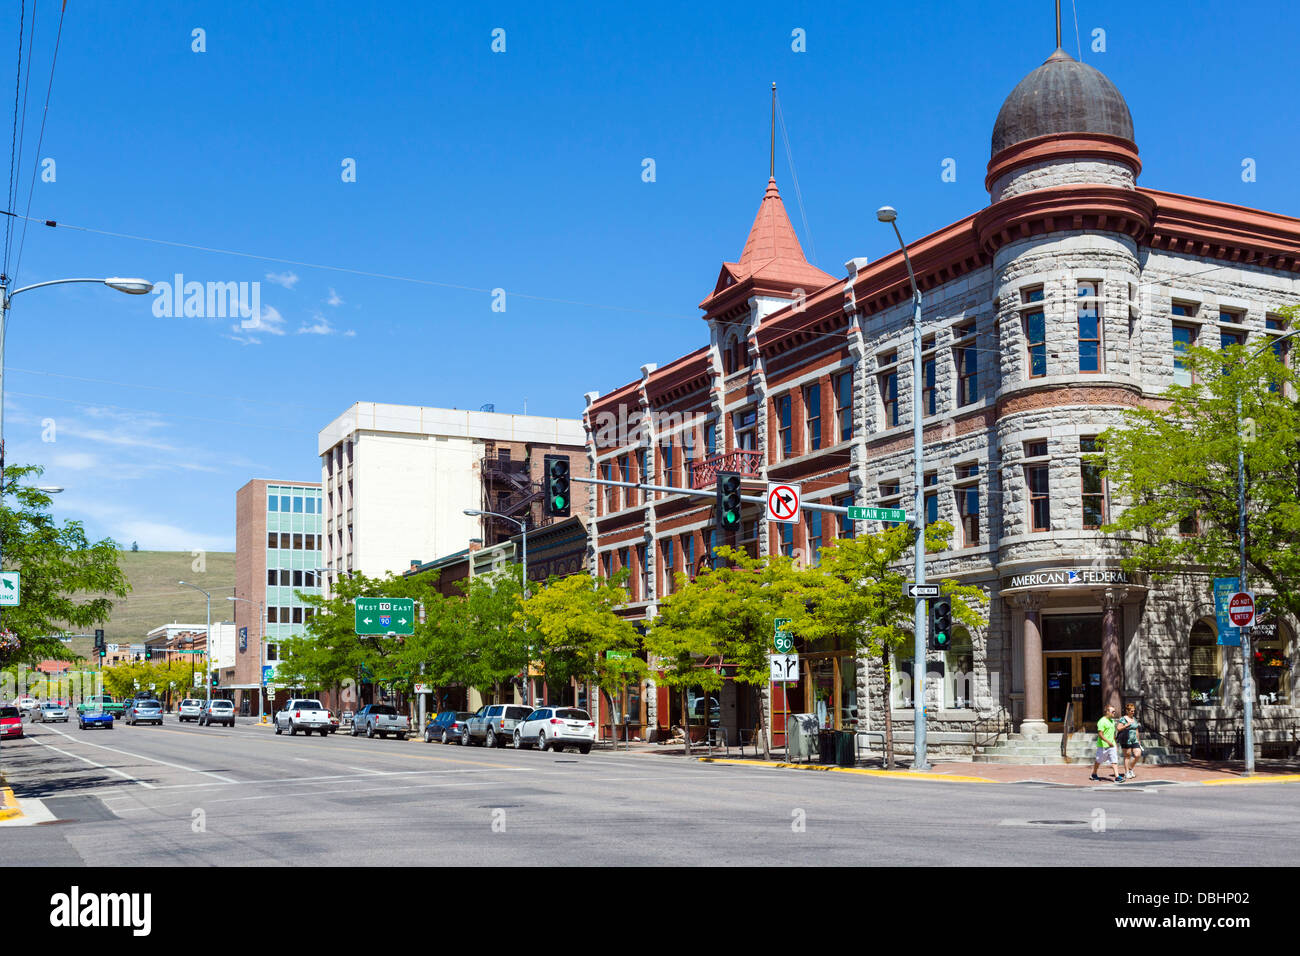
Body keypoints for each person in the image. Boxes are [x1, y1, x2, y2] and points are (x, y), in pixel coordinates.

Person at [1091, 704, 1121, 782]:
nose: (1114, 713)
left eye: (1114, 711)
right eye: (1112, 711)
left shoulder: (1112, 721)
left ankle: (1117, 777)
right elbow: (1100, 734)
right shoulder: (1101, 721)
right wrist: (1108, 742)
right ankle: (1094, 774)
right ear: (1107, 712)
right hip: (1103, 746)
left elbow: (1113, 734)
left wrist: (1114, 744)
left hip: (1112, 746)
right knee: (1098, 761)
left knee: (1114, 761)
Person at [1116, 703, 1142, 782]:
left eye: (1134, 711)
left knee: (1138, 754)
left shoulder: (1134, 719)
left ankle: (1130, 768)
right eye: (1131, 711)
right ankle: (1127, 772)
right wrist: (1126, 725)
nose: (1133, 712)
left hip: (1134, 739)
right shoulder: (1123, 719)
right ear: (1127, 711)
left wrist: (1139, 739)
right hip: (1126, 739)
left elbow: (1136, 729)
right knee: (1127, 756)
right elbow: (1118, 728)